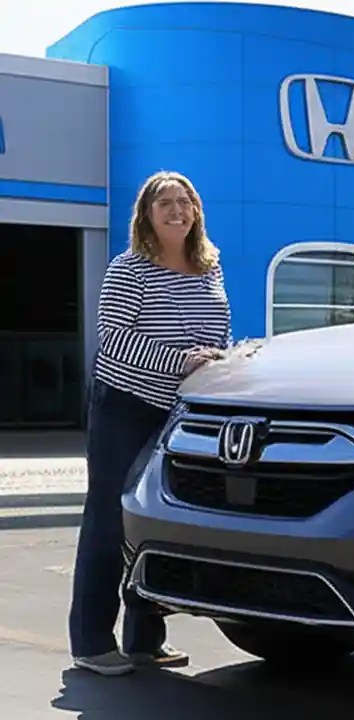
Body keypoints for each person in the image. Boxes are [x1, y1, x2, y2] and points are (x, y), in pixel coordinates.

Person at [67, 170, 231, 676]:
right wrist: (180, 360)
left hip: (178, 414)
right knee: (108, 519)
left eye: (186, 201)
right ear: (147, 215)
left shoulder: (209, 268)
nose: (178, 210)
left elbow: (217, 332)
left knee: (157, 519)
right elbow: (113, 340)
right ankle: (92, 642)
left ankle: (144, 640)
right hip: (125, 406)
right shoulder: (129, 268)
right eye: (166, 203)